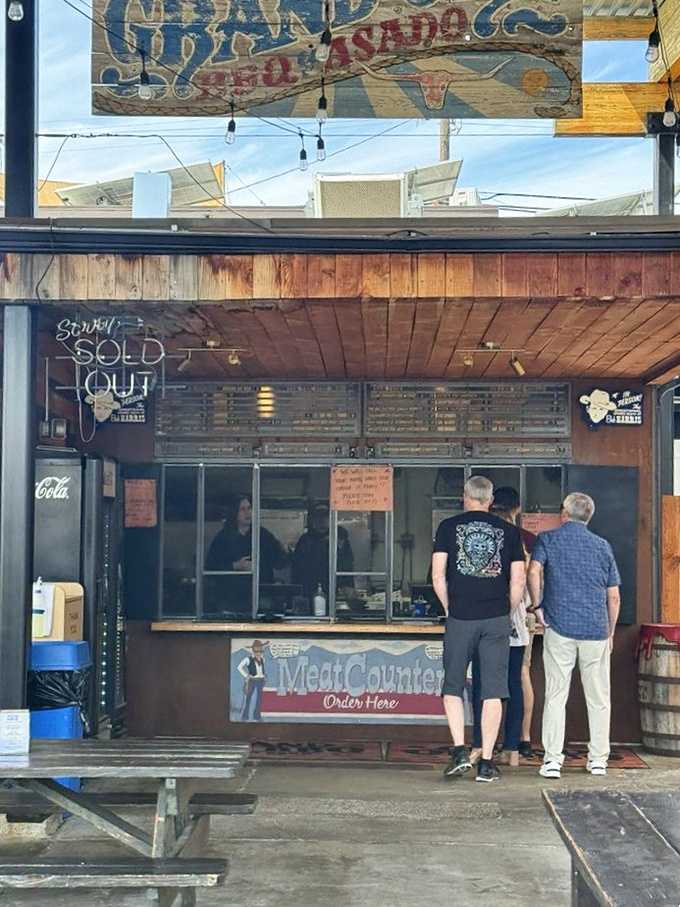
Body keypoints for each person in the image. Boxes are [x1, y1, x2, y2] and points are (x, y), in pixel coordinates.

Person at [432, 475, 526, 783]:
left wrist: (450, 608)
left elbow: (437, 576)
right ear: (490, 500)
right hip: (496, 618)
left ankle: (460, 750)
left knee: (453, 685)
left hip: (461, 617)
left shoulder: (448, 528)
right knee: (494, 691)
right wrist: (507, 611)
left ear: (465, 497)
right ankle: (486, 762)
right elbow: (518, 581)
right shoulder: (511, 533)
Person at [527, 492, 621, 779]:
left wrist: (538, 605)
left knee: (556, 694)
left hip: (559, 626)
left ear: (563, 514)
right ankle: (598, 760)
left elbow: (533, 571)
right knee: (599, 698)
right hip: (595, 629)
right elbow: (614, 596)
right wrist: (610, 632)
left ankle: (553, 761)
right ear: (588, 517)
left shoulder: (548, 539)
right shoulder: (602, 546)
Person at [470, 506, 530, 767]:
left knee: (483, 687)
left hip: (489, 628)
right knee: (513, 687)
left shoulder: (488, 558)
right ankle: (512, 748)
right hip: (517, 631)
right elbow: (527, 593)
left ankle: (481, 745)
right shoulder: (522, 554)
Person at [491, 486, 538, 759]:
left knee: (488, 682)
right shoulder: (527, 539)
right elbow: (533, 582)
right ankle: (522, 739)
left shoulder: (484, 536)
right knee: (521, 677)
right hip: (521, 617)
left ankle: (490, 740)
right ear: (517, 509)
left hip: (489, 618)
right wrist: (533, 604)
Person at [206, 495, 287, 613]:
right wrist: (235, 566)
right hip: (230, 601)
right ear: (234, 513)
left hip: (261, 598)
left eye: (249, 508)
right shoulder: (223, 538)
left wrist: (283, 550)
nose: (247, 512)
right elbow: (210, 569)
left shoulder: (263, 535)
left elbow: (280, 563)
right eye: (242, 509)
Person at [291, 502, 362, 612]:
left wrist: (350, 593)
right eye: (318, 517)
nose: (322, 521)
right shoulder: (305, 540)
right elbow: (295, 569)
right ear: (313, 520)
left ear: (331, 519)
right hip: (305, 595)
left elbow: (345, 566)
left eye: (325, 517)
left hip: (330, 594)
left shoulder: (338, 539)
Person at [237, 639, 269, 721]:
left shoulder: (262, 659)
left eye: (260, 651)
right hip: (252, 680)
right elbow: (239, 667)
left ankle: (257, 716)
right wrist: (246, 676)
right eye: (256, 651)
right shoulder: (248, 659)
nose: (258, 653)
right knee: (248, 698)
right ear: (253, 651)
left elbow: (261, 670)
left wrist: (264, 676)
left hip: (260, 681)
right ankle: (245, 716)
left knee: (259, 698)